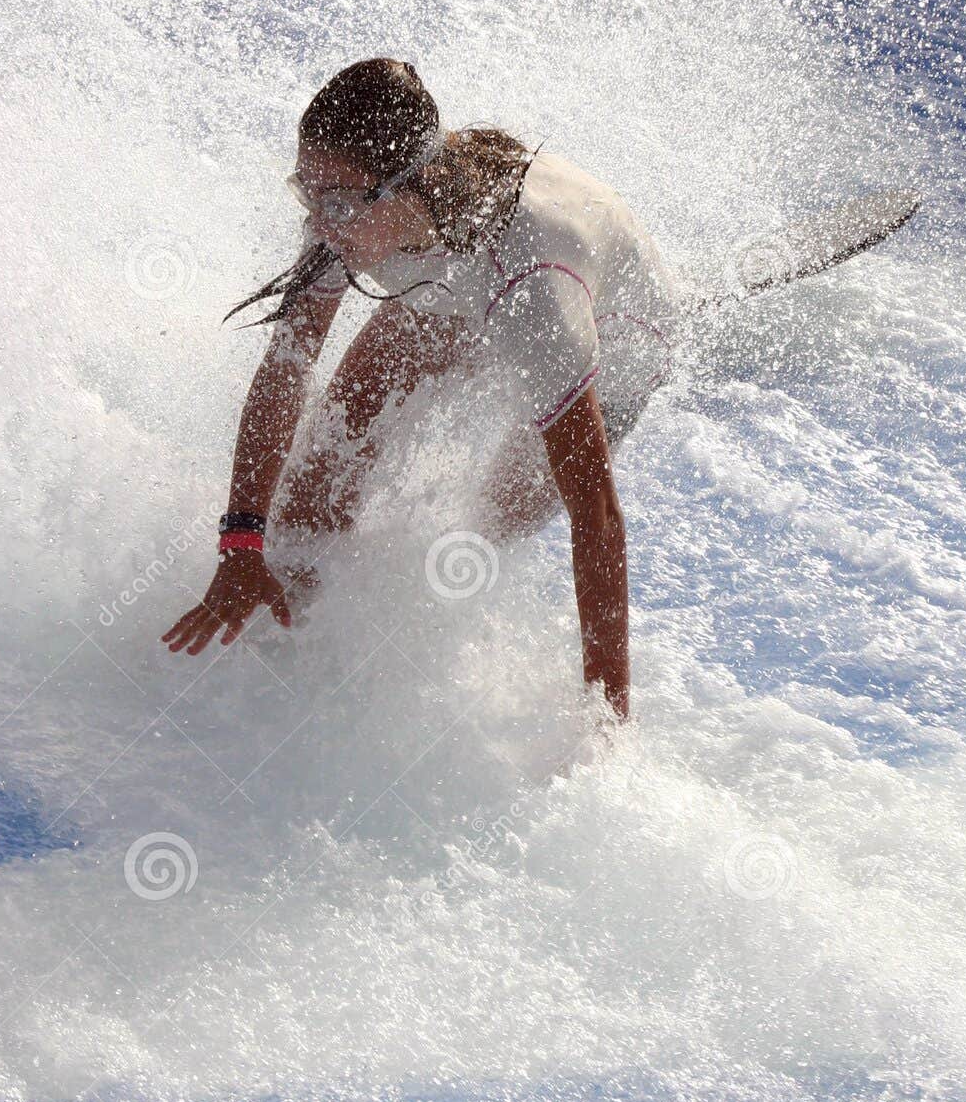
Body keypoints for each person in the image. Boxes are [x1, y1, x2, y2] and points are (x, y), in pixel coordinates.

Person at [162, 59, 675, 721]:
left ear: (414, 183)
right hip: (450, 282)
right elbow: (287, 368)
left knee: (491, 524)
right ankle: (286, 664)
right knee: (311, 494)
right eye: (307, 195)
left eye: (338, 203)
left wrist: (608, 728)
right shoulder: (353, 217)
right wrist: (241, 543)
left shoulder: (530, 290)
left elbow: (597, 521)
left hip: (616, 338)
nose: (318, 224)